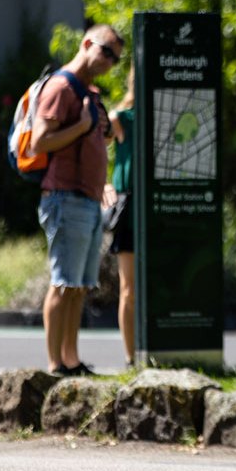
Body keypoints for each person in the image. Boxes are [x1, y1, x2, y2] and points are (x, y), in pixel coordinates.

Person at [30, 24, 124, 377]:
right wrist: (82, 127)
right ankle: (55, 364)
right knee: (63, 282)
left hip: (87, 200)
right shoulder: (60, 87)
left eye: (115, 58)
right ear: (87, 44)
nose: (110, 62)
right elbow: (40, 142)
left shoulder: (89, 92)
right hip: (64, 198)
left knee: (79, 287)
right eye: (106, 52)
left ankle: (71, 360)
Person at [106, 65, 137, 367]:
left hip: (159, 203)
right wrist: (105, 184)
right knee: (129, 286)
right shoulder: (120, 118)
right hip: (129, 204)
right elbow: (96, 148)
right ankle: (131, 357)